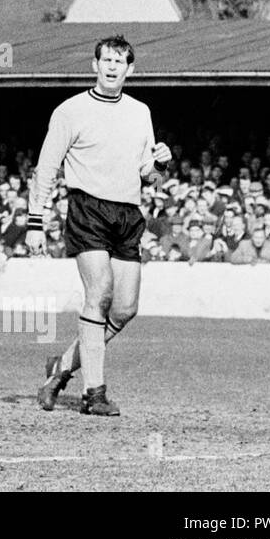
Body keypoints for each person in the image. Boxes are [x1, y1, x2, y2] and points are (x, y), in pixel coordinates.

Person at [27, 35, 170, 416]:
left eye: (119, 61)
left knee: (124, 309)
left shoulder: (140, 112)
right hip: (87, 208)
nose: (111, 66)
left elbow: (148, 177)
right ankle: (95, 393)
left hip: (128, 213)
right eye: (105, 59)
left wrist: (160, 164)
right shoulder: (70, 111)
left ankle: (59, 370)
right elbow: (46, 168)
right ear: (94, 65)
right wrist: (35, 222)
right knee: (100, 292)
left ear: (130, 69)